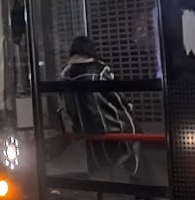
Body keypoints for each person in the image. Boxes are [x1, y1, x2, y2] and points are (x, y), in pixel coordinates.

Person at [60, 36, 146, 188]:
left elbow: (67, 105)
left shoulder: (65, 74)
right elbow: (118, 99)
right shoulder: (100, 71)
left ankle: (101, 184)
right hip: (111, 127)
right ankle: (141, 185)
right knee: (136, 133)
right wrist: (128, 108)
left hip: (84, 129)